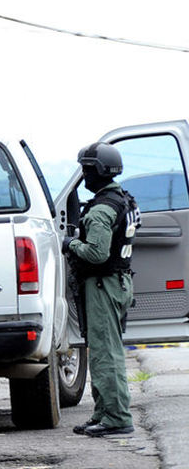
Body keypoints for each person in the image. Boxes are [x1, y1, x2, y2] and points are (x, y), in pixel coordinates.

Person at [63, 142, 139, 437]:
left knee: (105, 354)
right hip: (118, 282)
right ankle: (104, 413)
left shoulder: (101, 210)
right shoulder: (124, 200)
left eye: (86, 170)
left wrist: (71, 244)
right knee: (104, 350)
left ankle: (117, 418)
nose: (84, 176)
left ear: (98, 171)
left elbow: (96, 253)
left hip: (103, 285)